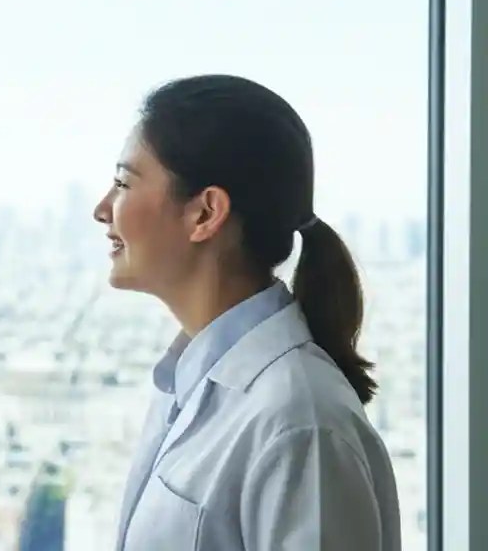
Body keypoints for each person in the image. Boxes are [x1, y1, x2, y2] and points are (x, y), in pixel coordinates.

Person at [93, 75, 401, 550]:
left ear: (205, 213)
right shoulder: (187, 385)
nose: (103, 209)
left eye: (122, 183)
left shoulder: (300, 421)